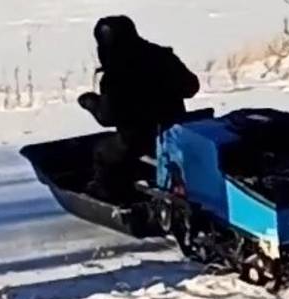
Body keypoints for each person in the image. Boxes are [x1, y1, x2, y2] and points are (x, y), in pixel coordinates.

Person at [77, 15, 199, 196]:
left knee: (103, 152)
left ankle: (112, 194)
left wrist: (91, 103)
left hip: (141, 140)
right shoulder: (162, 56)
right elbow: (191, 87)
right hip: (177, 132)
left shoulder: (114, 76)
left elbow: (108, 117)